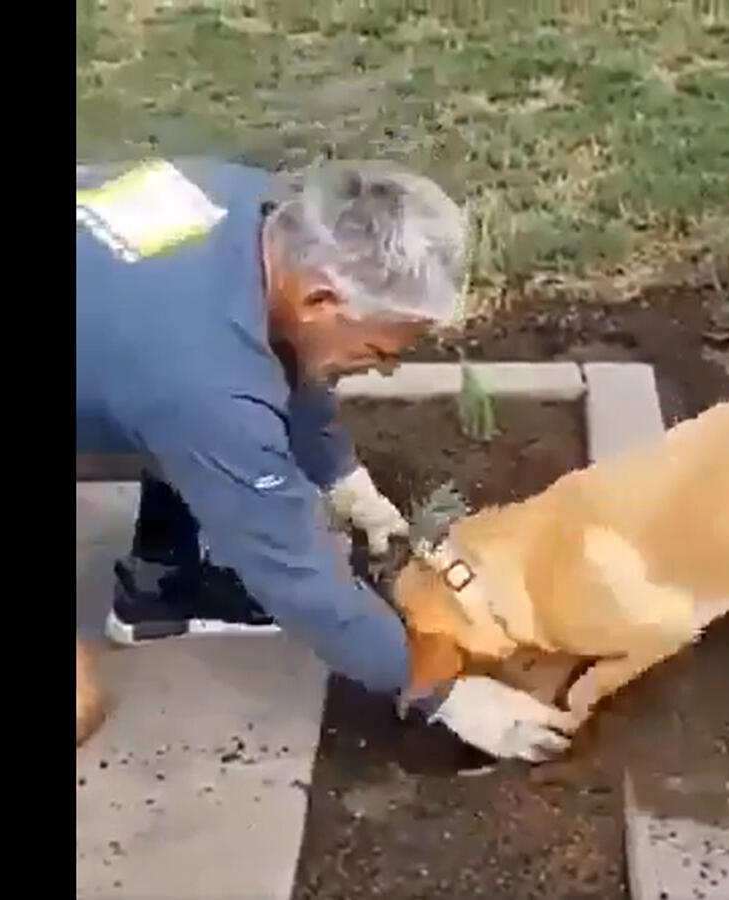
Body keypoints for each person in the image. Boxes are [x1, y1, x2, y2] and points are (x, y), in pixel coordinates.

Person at [76, 157, 575, 764]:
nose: (384, 370)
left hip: (129, 332)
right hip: (165, 364)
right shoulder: (205, 386)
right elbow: (293, 572)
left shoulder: (255, 208)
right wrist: (440, 691)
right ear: (321, 298)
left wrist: (340, 474)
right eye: (375, 351)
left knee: (180, 415)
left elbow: (283, 352)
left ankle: (162, 585)